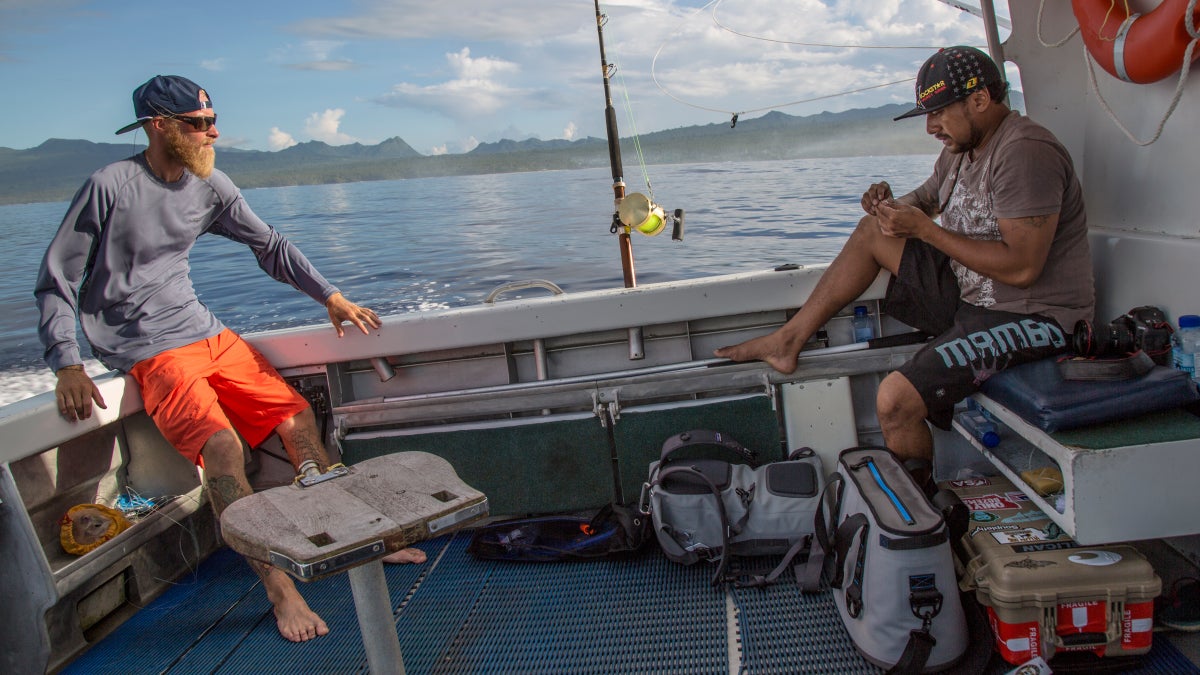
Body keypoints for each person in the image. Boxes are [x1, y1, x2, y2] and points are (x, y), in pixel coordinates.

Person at [34, 75, 426, 643]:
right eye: (198, 124)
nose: (212, 131)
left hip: (206, 331)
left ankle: (348, 533)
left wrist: (331, 296)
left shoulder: (208, 184)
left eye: (212, 120)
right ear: (157, 125)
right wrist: (65, 361)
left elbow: (268, 245)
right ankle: (279, 590)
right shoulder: (110, 186)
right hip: (148, 348)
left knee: (296, 419)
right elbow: (57, 279)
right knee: (222, 448)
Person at [715, 46, 1094, 467]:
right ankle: (789, 339)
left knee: (894, 400)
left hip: (1035, 318)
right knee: (871, 233)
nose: (931, 126)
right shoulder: (960, 150)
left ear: (980, 100)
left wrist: (926, 230)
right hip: (974, 299)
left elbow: (1023, 269)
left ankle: (920, 517)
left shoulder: (1025, 152)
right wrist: (889, 209)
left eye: (939, 112)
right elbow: (926, 200)